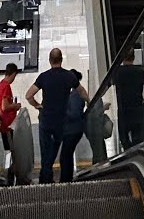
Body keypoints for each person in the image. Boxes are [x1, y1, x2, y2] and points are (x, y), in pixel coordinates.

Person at [25, 48, 87, 184]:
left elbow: (28, 95)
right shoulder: (69, 76)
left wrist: (37, 105)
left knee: (45, 151)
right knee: (55, 148)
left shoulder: (44, 76)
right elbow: (82, 91)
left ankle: (45, 178)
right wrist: (90, 102)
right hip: (61, 122)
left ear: (49, 60)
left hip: (46, 121)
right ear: (61, 60)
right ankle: (51, 176)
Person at [114, 51, 144, 149]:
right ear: (134, 58)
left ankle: (127, 159)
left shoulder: (117, 72)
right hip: (138, 110)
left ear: (122, 58)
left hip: (123, 111)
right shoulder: (140, 71)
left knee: (125, 141)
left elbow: (103, 89)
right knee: (138, 141)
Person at [60, 70, 87, 182]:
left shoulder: (75, 95)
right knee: (67, 155)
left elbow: (74, 114)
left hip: (72, 130)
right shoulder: (75, 93)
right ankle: (66, 179)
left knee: (65, 157)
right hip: (73, 129)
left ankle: (66, 180)